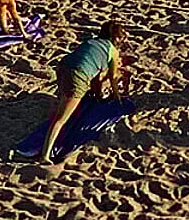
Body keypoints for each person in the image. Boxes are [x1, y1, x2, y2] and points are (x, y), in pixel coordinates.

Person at [40, 21, 128, 164]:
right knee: (60, 120)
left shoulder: (92, 41)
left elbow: (96, 77)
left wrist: (97, 94)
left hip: (63, 66)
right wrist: (117, 97)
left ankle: (59, 112)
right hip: (78, 74)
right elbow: (113, 78)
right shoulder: (113, 51)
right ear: (116, 37)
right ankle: (45, 155)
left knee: (65, 98)